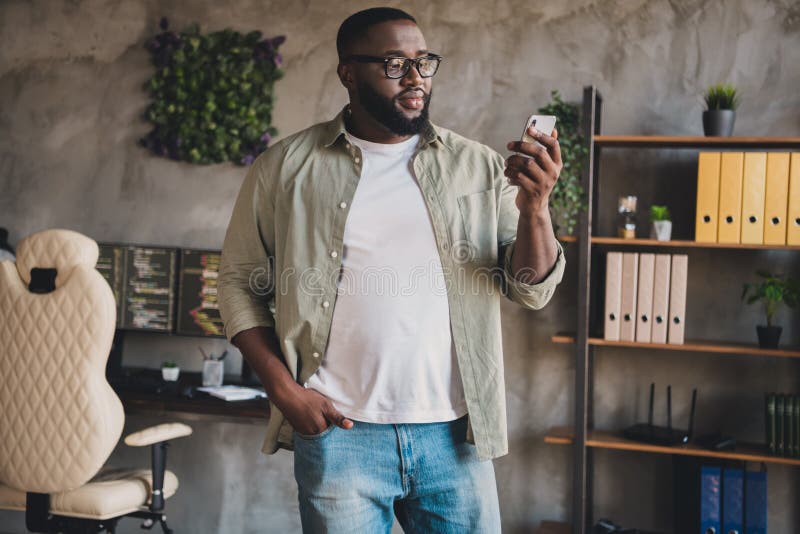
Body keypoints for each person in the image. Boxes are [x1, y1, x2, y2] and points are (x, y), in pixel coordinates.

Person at [218, 7, 566, 533]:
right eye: (394, 64)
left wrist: (535, 209)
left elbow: (530, 289)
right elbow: (238, 284)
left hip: (455, 436)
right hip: (339, 436)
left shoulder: (477, 166)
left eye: (423, 62)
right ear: (348, 73)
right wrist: (285, 393)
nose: (415, 78)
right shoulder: (285, 168)